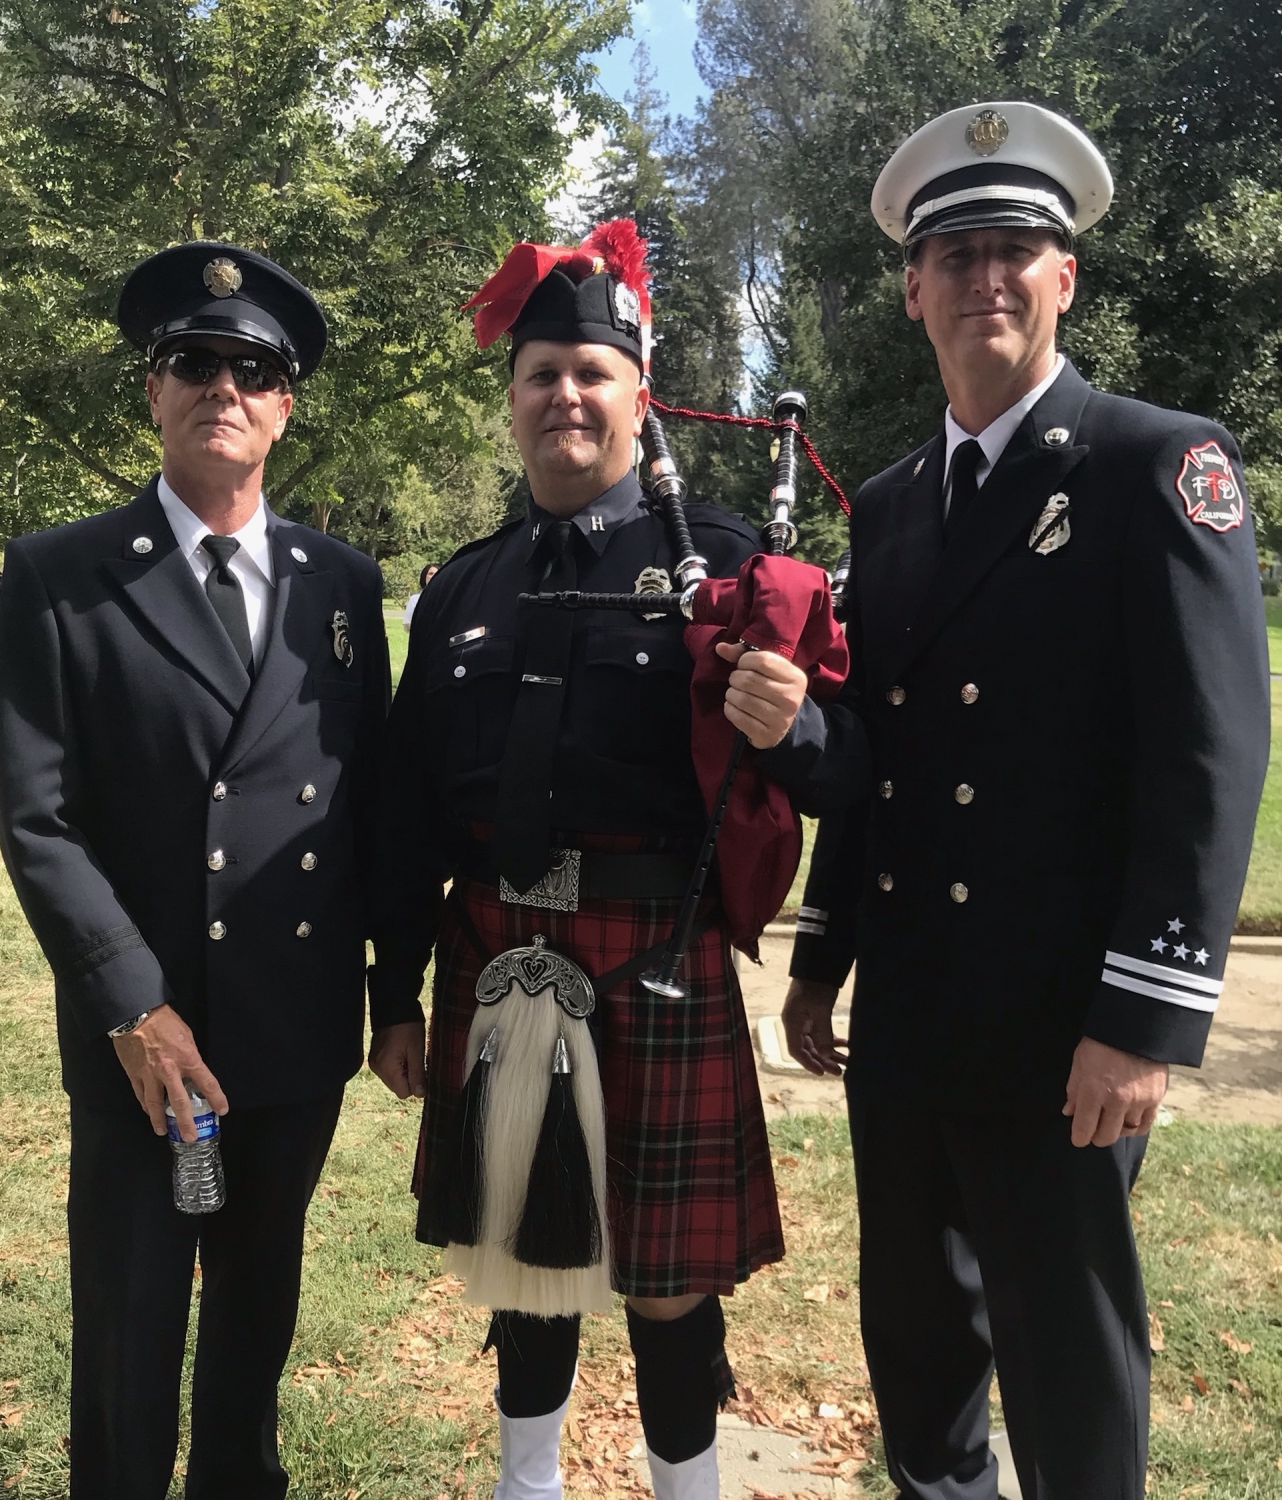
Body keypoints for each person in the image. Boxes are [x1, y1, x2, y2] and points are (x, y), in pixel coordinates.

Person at [782, 102, 1270, 1499]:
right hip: (916, 1013)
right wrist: (825, 955)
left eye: (1017, 250)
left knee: (1066, 1360)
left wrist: (1142, 1021)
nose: (984, 280)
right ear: (913, 288)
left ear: (1066, 279)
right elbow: (886, 744)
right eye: (956, 254)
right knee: (919, 1350)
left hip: (1065, 1030)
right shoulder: (891, 506)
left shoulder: (1153, 465)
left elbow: (1208, 755)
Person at [368, 220, 867, 1500]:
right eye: (542, 374)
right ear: (514, 402)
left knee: (667, 1285)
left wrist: (795, 724)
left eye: (593, 372)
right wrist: (391, 994)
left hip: (655, 956)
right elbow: (410, 805)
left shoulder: (729, 572)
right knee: (522, 1271)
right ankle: (524, 1486)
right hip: (490, 956)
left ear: (640, 396)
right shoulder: (461, 589)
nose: (565, 396)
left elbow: (854, 773)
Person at [0, 242, 389, 1500]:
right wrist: (133, 1003)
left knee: (253, 1335)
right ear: (154, 391)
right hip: (139, 1049)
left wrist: (404, 993)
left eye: (254, 367)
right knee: (129, 1339)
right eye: (194, 361)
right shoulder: (61, 576)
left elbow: (371, 800)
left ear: (285, 403)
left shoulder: (343, 583)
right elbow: (38, 818)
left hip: (289, 1037)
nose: (224, 383)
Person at [402, 560, 439, 630]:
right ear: (424, 576)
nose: (434, 576)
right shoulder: (415, 599)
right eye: (431, 573)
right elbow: (407, 624)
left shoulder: (447, 598)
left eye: (437, 573)